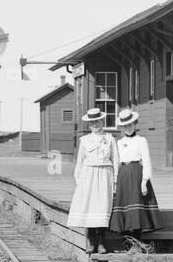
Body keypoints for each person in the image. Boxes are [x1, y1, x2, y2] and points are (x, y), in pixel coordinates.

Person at [67, 108, 119, 254]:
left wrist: (114, 181)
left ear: (102, 122)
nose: (95, 124)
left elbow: (115, 161)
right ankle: (91, 242)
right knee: (89, 207)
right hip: (88, 176)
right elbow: (79, 162)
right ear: (89, 125)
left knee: (102, 207)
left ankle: (101, 242)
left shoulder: (110, 139)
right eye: (92, 123)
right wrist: (79, 181)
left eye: (97, 121)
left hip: (104, 175)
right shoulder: (84, 141)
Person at [108, 109, 160, 237]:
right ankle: (126, 242)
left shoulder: (141, 140)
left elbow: (147, 161)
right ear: (122, 127)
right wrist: (115, 181)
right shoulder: (119, 143)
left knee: (137, 209)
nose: (128, 128)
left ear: (135, 124)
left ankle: (137, 242)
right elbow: (116, 162)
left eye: (130, 125)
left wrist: (144, 181)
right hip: (123, 176)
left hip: (137, 175)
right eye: (125, 126)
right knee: (125, 207)